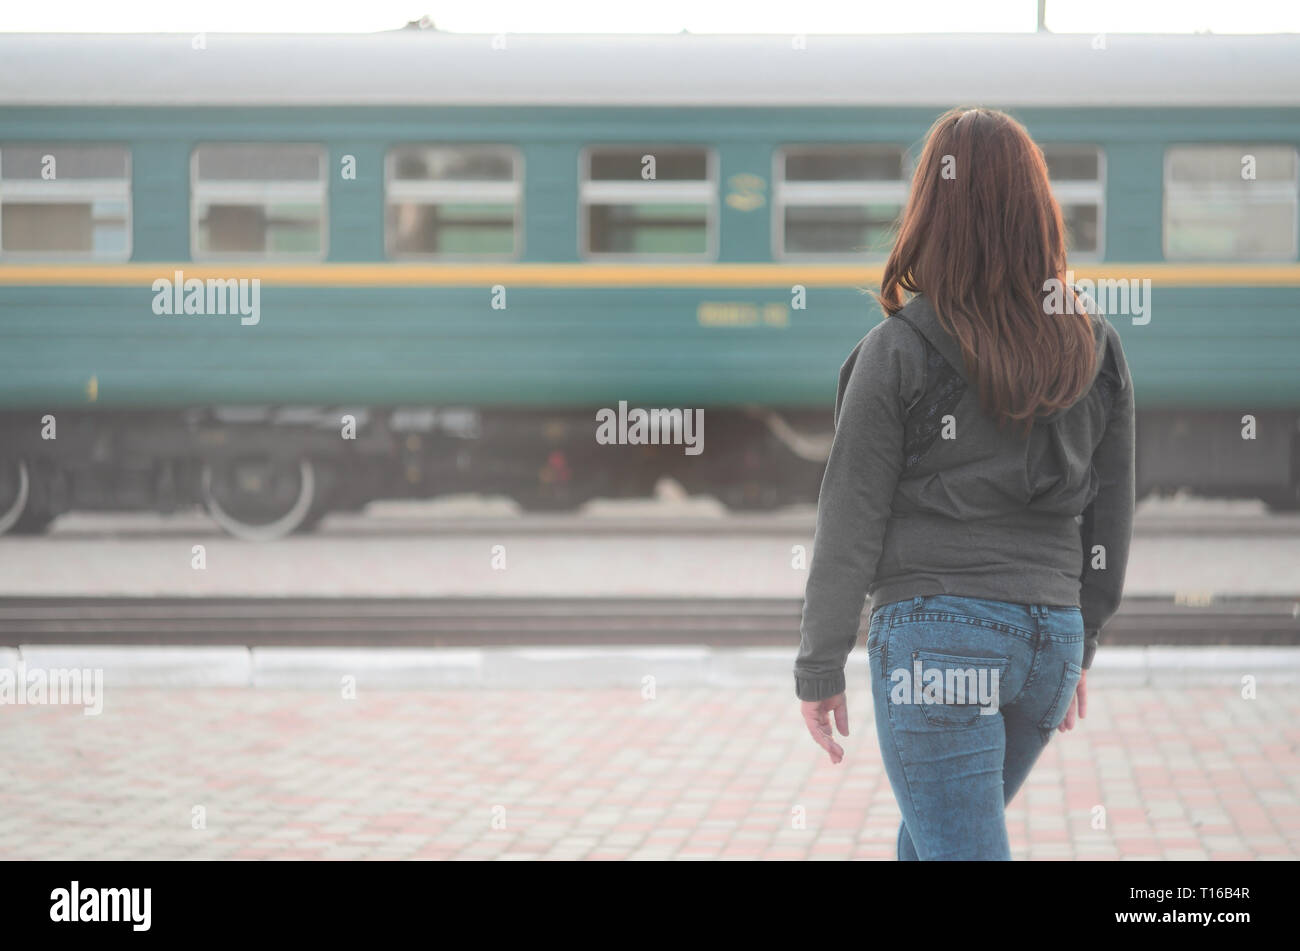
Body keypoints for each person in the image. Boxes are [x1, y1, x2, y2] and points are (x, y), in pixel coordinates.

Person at [793, 107, 1135, 861]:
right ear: (1038, 211)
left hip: (938, 642)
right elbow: (1111, 516)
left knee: (955, 848)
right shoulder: (1095, 347)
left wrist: (820, 662)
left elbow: (849, 518)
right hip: (1049, 642)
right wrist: (1085, 639)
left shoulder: (898, 350)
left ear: (932, 210)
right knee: (932, 845)